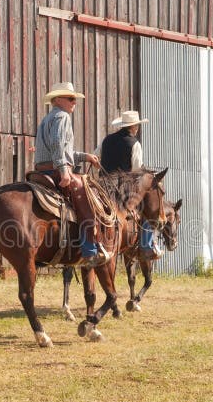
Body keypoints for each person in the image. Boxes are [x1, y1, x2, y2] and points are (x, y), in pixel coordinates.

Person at [34, 82, 109, 268]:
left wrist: (86, 157)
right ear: (58, 100)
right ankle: (90, 249)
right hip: (56, 169)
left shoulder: (48, 119)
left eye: (75, 99)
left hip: (42, 169)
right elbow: (58, 145)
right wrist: (63, 170)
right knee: (88, 201)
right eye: (70, 98)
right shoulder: (62, 116)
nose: (74, 101)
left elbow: (64, 150)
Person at [97, 110, 163, 260]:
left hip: (101, 187)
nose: (137, 128)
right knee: (148, 207)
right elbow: (136, 171)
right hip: (122, 190)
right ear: (133, 127)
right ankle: (147, 246)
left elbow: (95, 157)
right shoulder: (135, 144)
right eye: (137, 126)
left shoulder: (106, 140)